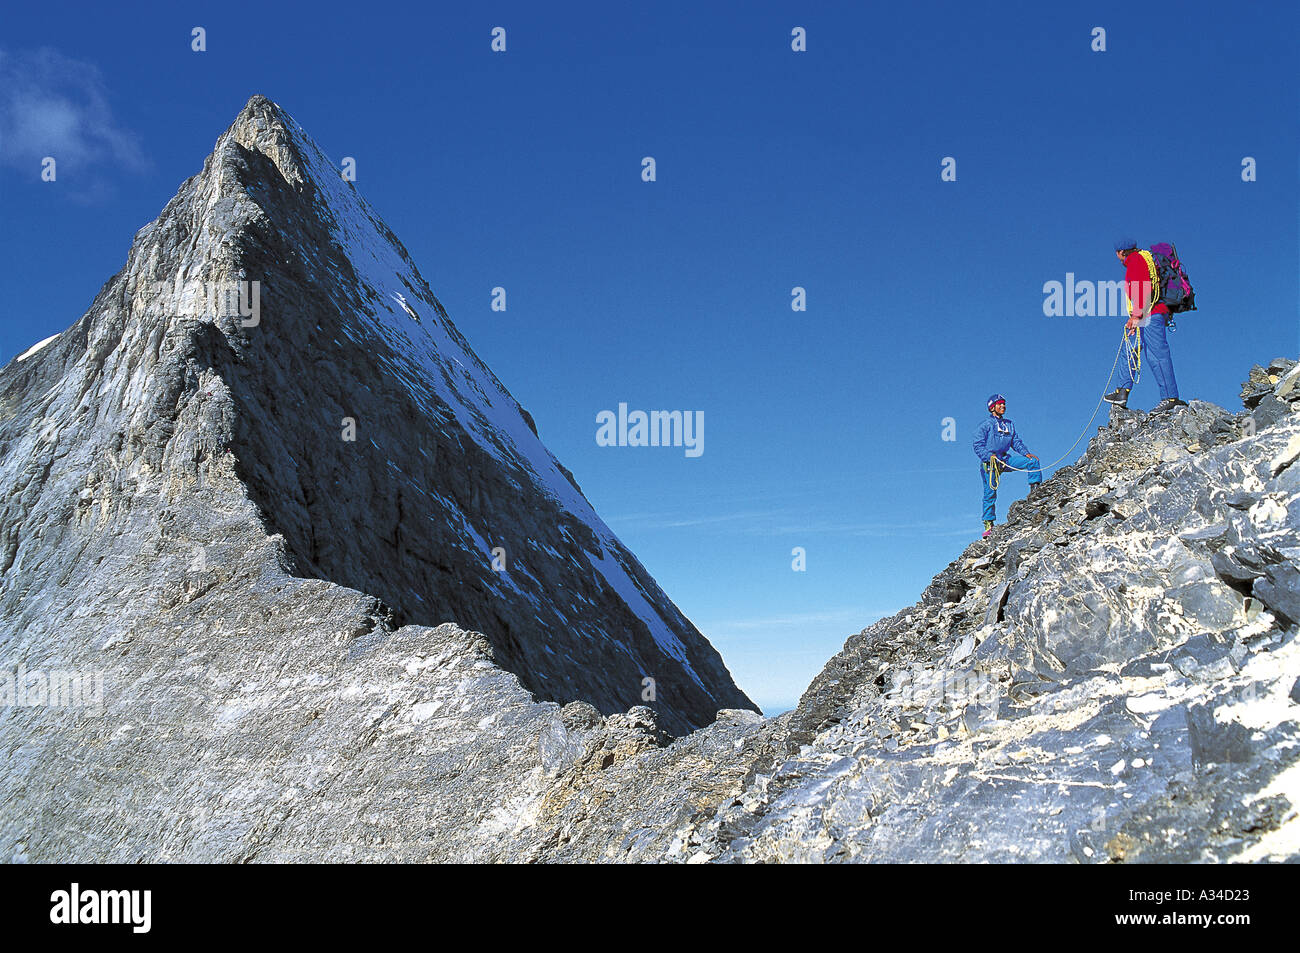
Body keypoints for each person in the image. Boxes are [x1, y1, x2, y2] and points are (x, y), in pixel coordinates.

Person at [1104, 239, 1188, 413]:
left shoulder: (1135, 260)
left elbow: (1143, 286)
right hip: (1148, 313)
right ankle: (1122, 392)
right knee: (1130, 348)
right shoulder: (1141, 258)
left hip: (1151, 313)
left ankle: (1170, 397)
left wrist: (1136, 315)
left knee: (1156, 354)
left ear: (1121, 252)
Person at [972, 394, 1042, 538]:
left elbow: (1016, 442)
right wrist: (988, 456)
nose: (1003, 406)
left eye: (1004, 404)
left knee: (1033, 462)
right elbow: (977, 445)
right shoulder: (985, 425)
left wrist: (1026, 453)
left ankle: (1036, 493)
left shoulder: (1009, 424)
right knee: (990, 493)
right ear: (992, 407)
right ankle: (988, 523)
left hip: (1005, 459)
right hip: (990, 463)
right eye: (1000, 404)